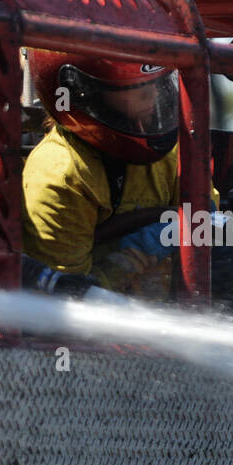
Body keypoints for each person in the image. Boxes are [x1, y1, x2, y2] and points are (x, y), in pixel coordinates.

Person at [22, 48, 198, 298]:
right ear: (84, 93)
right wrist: (134, 255)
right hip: (98, 331)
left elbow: (207, 221)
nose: (153, 94)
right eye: (134, 86)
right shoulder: (60, 174)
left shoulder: (169, 155)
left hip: (163, 324)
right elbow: (66, 299)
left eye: (157, 83)